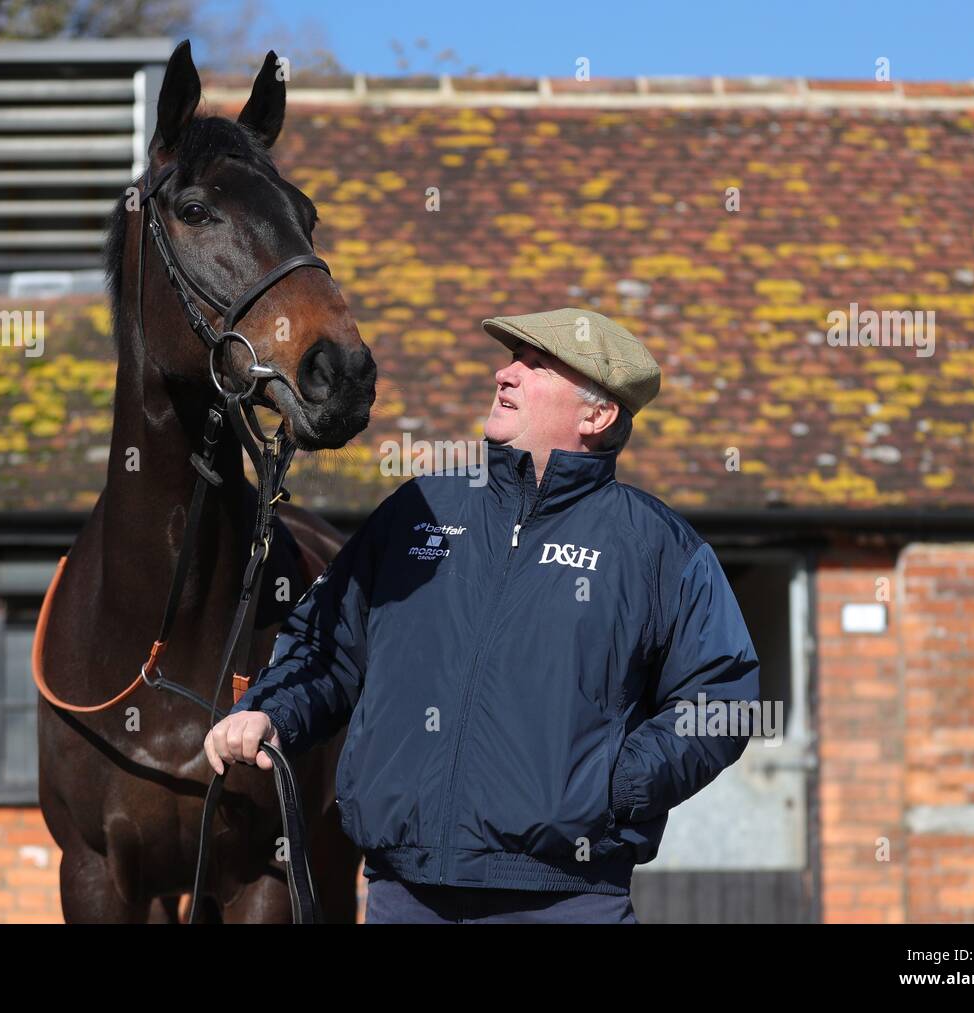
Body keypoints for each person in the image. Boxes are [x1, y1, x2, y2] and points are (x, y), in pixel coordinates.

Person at [204, 307, 761, 924]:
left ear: (597, 415)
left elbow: (720, 701)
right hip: (403, 895)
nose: (504, 373)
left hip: (568, 902)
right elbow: (328, 643)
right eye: (510, 359)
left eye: (535, 365)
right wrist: (271, 710)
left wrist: (610, 787)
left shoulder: (656, 546)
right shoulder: (418, 509)